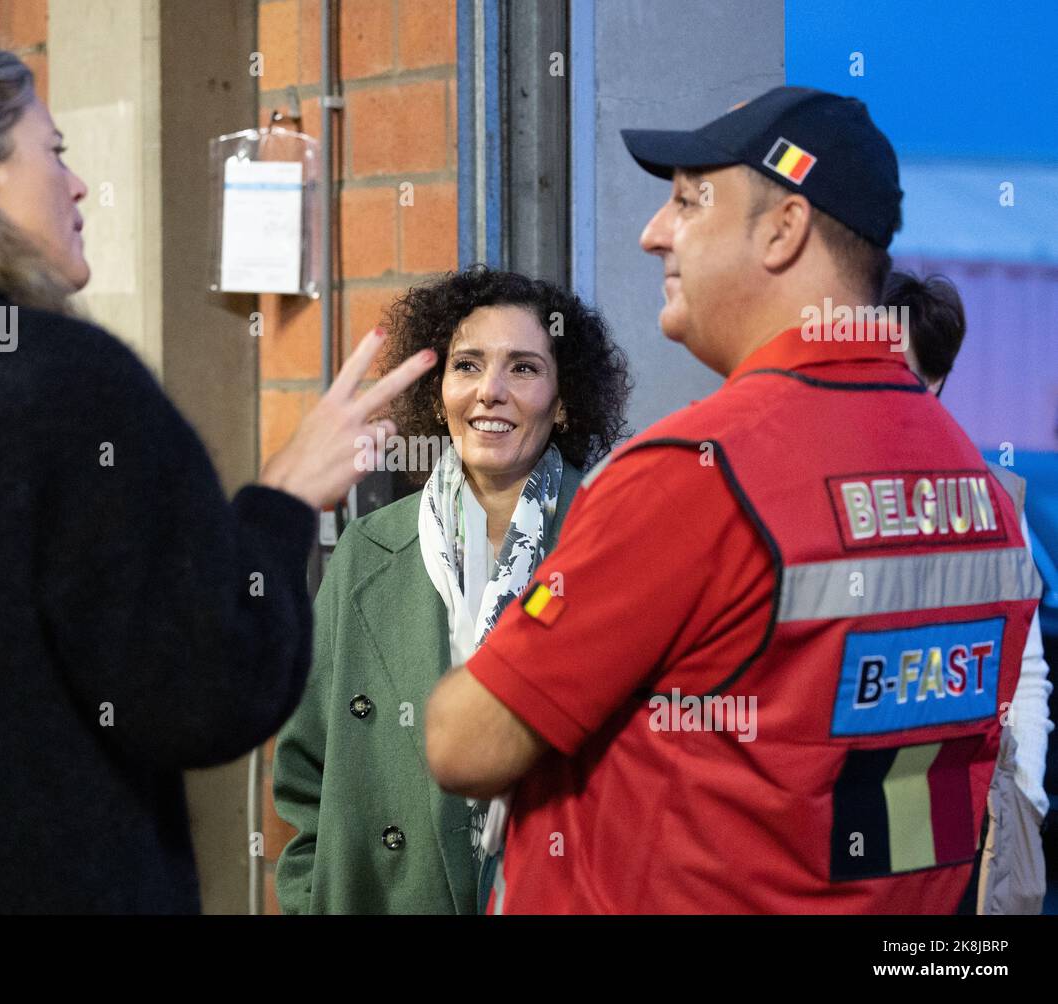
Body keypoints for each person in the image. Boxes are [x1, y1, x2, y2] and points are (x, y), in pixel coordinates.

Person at [0, 21, 433, 913]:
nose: (77, 184)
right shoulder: (65, 385)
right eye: (55, 150)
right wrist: (281, 505)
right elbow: (205, 690)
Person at [425, 86, 1043, 913]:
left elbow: (463, 743)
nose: (653, 234)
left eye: (687, 201)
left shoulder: (694, 475)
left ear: (784, 230)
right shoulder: (983, 498)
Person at [272, 266, 630, 913]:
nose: (490, 391)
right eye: (467, 365)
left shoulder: (614, 542)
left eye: (522, 368)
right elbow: (304, 774)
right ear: (439, 395)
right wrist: (309, 897)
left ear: (565, 398)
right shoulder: (368, 550)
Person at [886, 270, 1052, 913]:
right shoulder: (818, 487)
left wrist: (1026, 796)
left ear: (935, 381)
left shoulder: (993, 499)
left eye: (897, 373)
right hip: (861, 825)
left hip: (966, 821)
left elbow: (1027, 671)